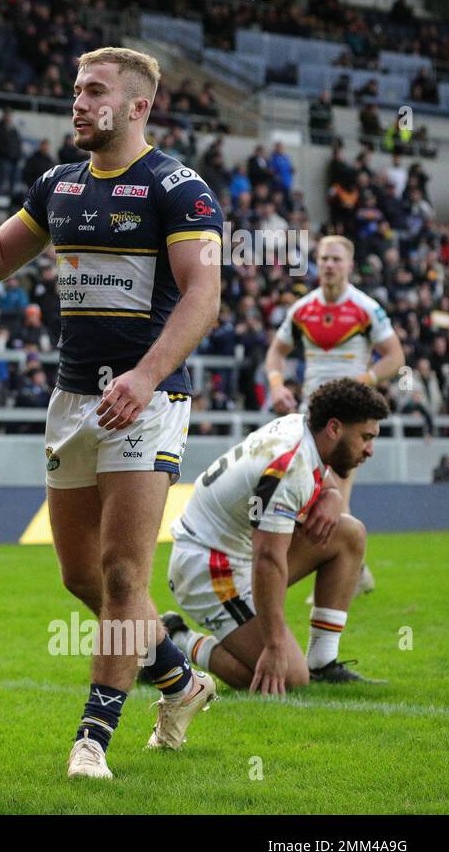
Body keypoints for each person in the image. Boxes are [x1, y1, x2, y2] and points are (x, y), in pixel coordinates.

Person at [0, 46, 224, 779]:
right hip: (73, 399)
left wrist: (147, 377)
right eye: (75, 90)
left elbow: (203, 295)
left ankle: (93, 741)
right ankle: (181, 681)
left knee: (120, 574)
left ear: (138, 105)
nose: (77, 103)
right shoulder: (57, 184)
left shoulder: (178, 187)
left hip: (146, 401)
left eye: (94, 92)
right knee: (81, 577)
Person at [163, 379, 389, 691]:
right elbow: (268, 560)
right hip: (208, 566)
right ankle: (172, 640)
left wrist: (333, 495)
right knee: (289, 677)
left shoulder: (300, 428)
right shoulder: (289, 467)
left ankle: (322, 661)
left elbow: (318, 482)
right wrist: (273, 645)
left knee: (348, 533)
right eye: (365, 437)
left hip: (235, 552)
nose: (370, 450)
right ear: (335, 428)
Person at [264, 235, 404, 594]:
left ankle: (340, 571)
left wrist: (364, 380)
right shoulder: (303, 310)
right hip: (312, 414)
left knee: (333, 491)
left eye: (336, 259)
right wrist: (278, 385)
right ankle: (353, 568)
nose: (329, 265)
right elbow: (275, 354)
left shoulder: (366, 308)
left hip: (351, 415)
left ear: (349, 265)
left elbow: (395, 357)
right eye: (324, 258)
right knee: (319, 492)